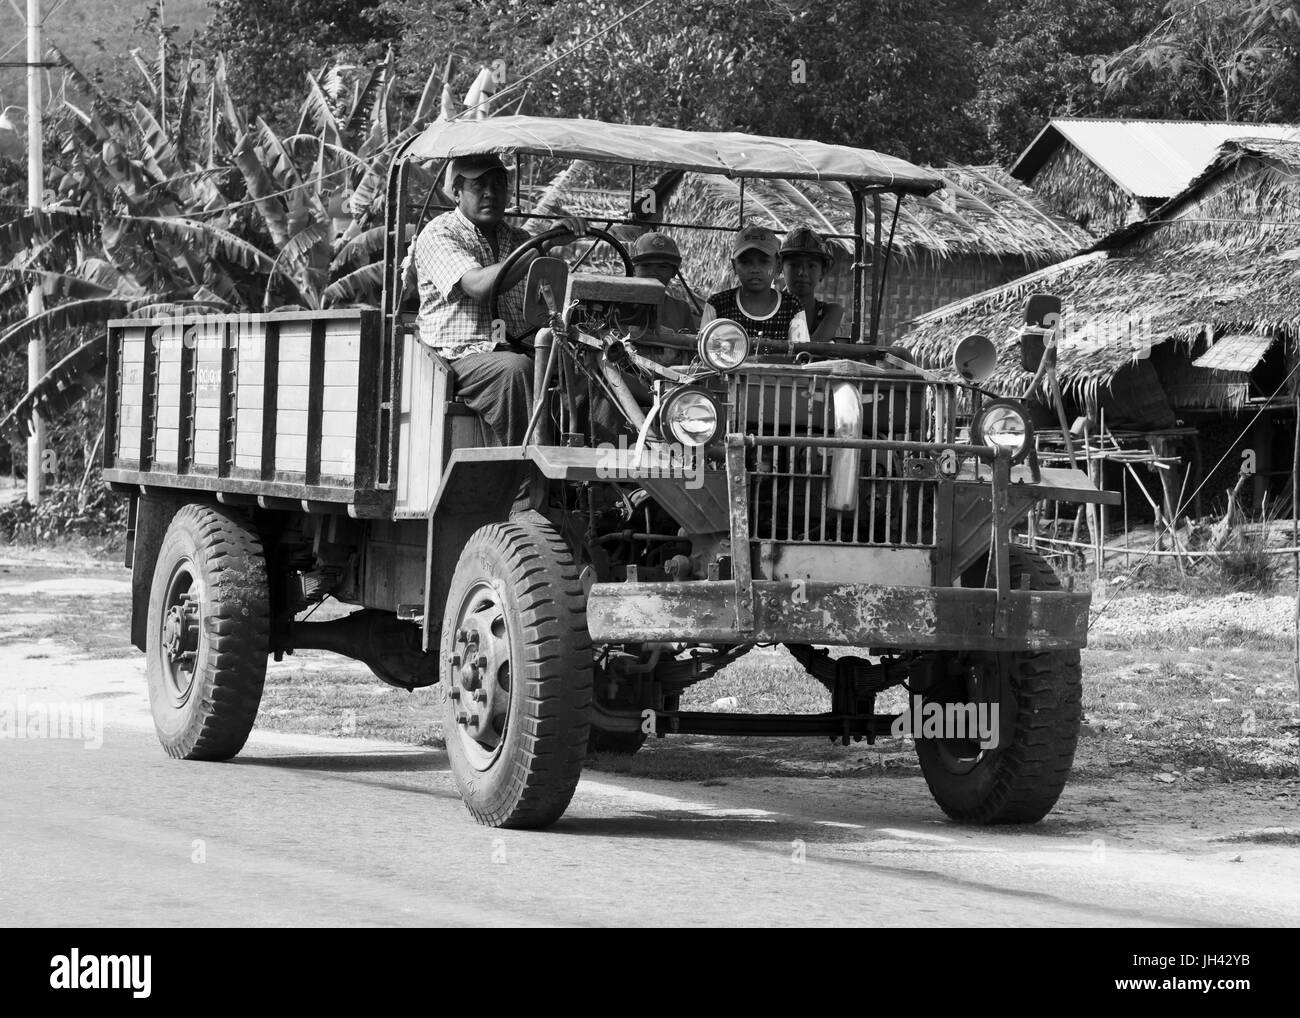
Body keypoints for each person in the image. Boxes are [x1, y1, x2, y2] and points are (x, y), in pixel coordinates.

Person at [411, 152, 585, 446]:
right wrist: (543, 243)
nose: (490, 193)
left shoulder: (518, 239)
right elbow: (478, 285)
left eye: (498, 185)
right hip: (458, 358)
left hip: (519, 350)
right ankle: (529, 485)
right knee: (515, 370)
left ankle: (607, 480)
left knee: (588, 372)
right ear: (457, 191)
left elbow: (551, 307)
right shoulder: (440, 233)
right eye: (479, 185)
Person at [700, 224, 809, 343]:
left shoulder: (792, 307)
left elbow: (800, 355)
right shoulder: (717, 305)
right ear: (734, 266)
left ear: (778, 265)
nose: (754, 269)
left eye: (763, 261)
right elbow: (704, 354)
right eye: (745, 262)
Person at [780, 227, 843, 341]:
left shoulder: (830, 312)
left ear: (822, 272)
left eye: (811, 266)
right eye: (794, 265)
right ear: (780, 268)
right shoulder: (771, 308)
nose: (802, 272)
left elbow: (811, 348)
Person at [630, 232, 700, 333]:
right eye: (646, 266)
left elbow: (689, 345)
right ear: (633, 269)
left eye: (662, 267)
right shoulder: (618, 306)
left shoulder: (681, 309)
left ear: (674, 272)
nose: (654, 272)